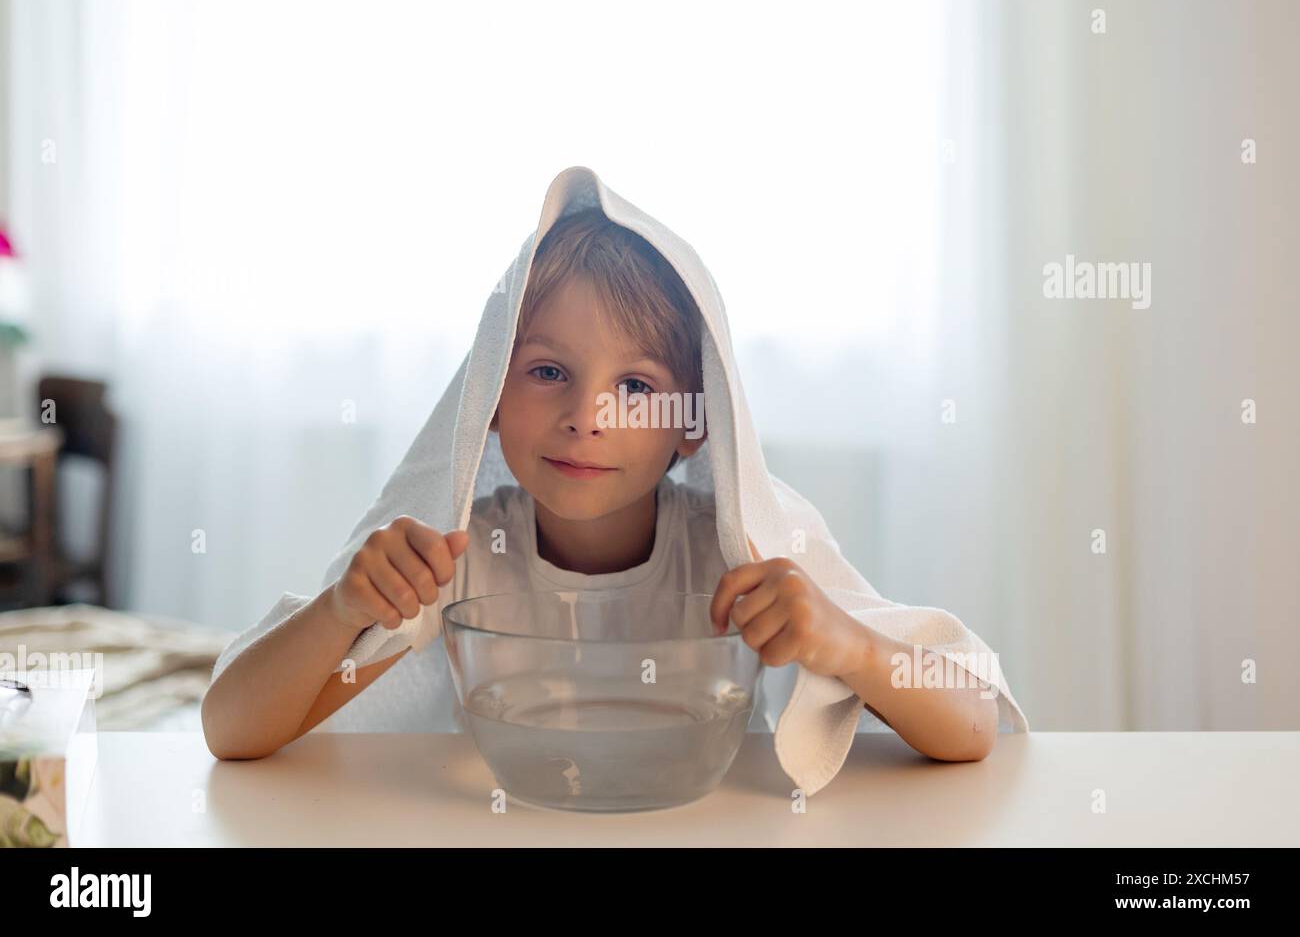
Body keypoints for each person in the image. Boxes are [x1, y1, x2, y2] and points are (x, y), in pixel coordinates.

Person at [202, 166, 1028, 796]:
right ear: (487, 395)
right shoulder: (461, 555)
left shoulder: (743, 546)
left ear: (695, 418)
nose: (589, 417)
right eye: (548, 370)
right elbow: (231, 728)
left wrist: (846, 643)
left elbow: (971, 723)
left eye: (636, 387)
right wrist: (345, 607)